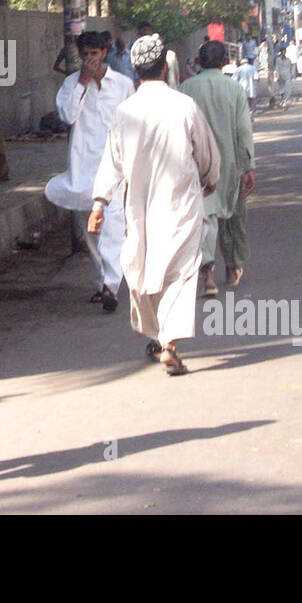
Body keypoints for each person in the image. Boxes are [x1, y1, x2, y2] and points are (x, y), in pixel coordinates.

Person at [88, 33, 220, 377]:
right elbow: (207, 153)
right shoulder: (184, 106)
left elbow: (111, 161)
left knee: (143, 271)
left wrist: (99, 203)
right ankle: (168, 342)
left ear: (135, 69)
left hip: (140, 210)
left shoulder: (125, 112)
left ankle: (160, 337)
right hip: (181, 207)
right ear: (164, 67)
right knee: (180, 273)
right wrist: (211, 178)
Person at [46, 31, 134, 312]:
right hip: (84, 167)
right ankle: (102, 281)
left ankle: (111, 285)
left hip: (115, 165)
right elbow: (68, 116)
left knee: (114, 224)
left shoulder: (122, 84)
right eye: (84, 55)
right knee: (91, 229)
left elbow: (133, 124)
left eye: (94, 55)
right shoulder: (71, 83)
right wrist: (83, 82)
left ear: (104, 53)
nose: (89, 60)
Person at [180, 41, 255, 297]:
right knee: (234, 216)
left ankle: (208, 276)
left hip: (197, 166)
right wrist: (249, 166)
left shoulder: (186, 89)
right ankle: (233, 267)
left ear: (199, 62)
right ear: (225, 62)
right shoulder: (235, 89)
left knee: (205, 218)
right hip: (231, 163)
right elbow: (244, 131)